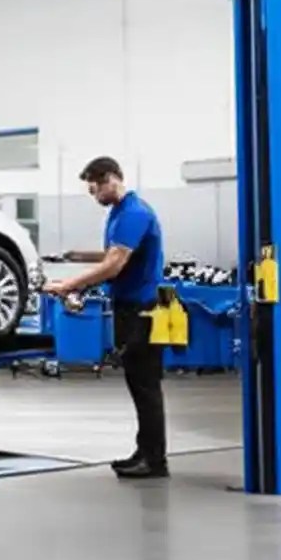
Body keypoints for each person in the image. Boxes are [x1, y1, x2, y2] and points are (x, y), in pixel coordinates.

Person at [43, 156, 168, 479]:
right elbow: (115, 253)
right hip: (129, 308)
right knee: (138, 384)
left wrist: (69, 284)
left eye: (95, 188)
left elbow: (115, 264)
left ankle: (154, 461)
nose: (93, 195)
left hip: (143, 311)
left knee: (145, 386)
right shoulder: (120, 213)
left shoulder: (134, 213)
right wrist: (77, 256)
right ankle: (145, 452)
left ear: (111, 178)